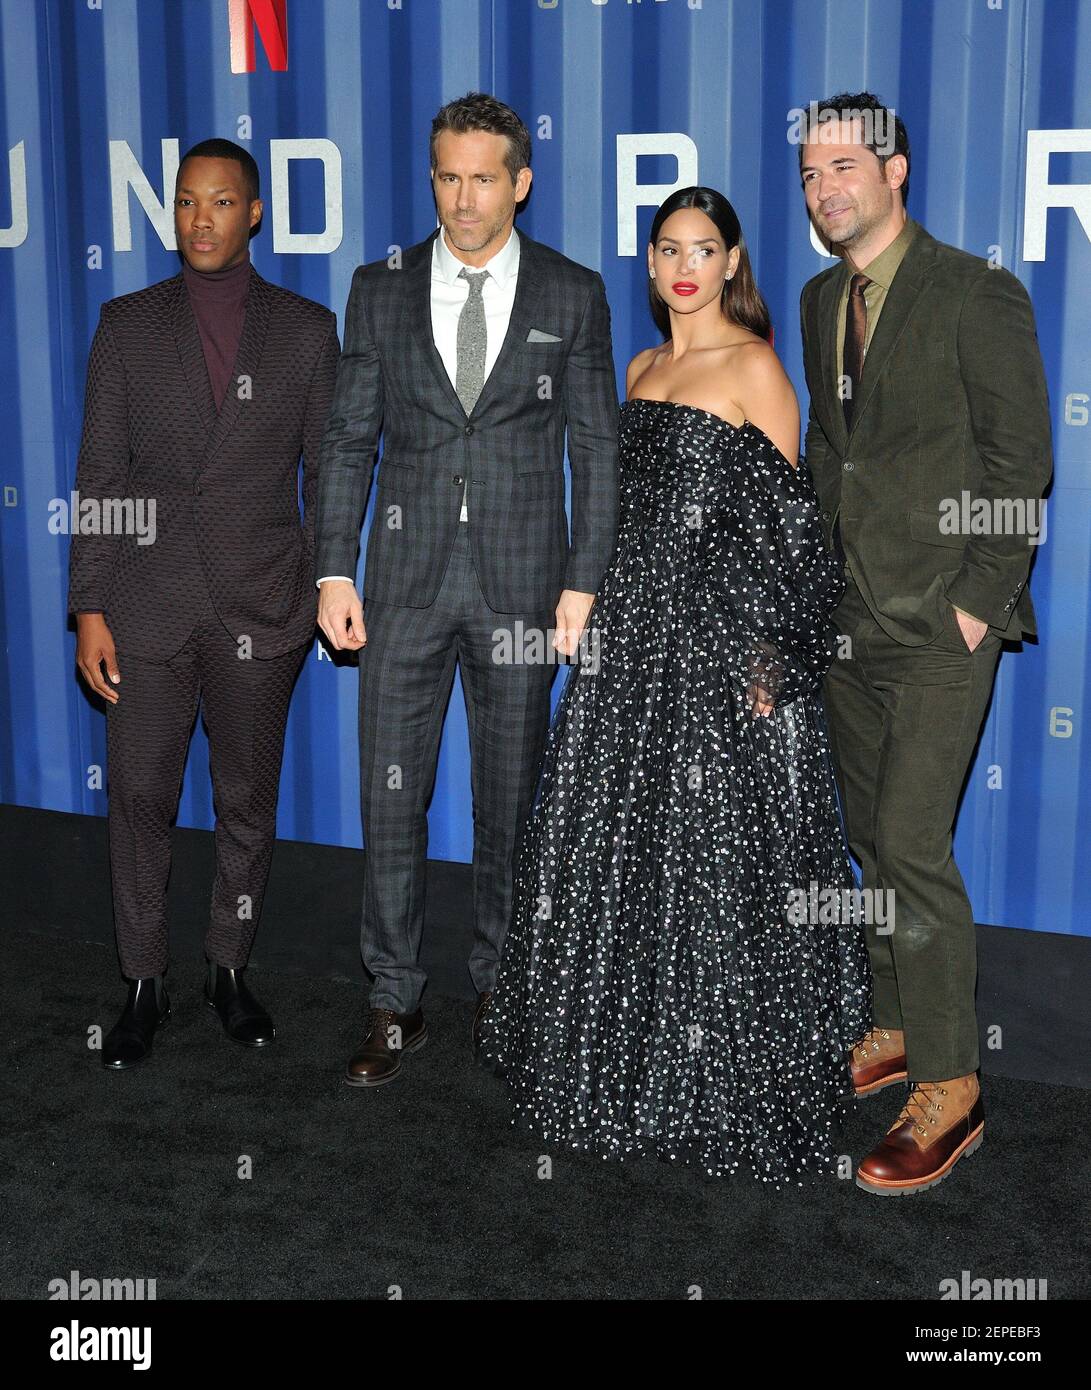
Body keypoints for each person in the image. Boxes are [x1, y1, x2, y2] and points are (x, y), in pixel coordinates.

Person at [476, 187, 871, 1186]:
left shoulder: (756, 370)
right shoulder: (642, 366)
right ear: (649, 264)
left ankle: (720, 1079)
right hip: (628, 634)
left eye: (704, 249)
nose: (685, 266)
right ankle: (617, 1061)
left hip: (719, 642)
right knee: (620, 846)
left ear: (731, 262)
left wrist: (767, 657)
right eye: (667, 249)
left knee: (716, 858)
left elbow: (792, 535)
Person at [314, 92, 619, 1087]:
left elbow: (597, 448)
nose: (462, 196)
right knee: (389, 800)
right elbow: (348, 438)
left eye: (483, 177)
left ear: (519, 183)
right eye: (447, 175)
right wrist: (332, 566)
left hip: (525, 588)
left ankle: (501, 985)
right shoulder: (380, 287)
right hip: (399, 588)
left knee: (509, 799)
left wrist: (582, 586)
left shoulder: (572, 294)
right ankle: (392, 997)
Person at [798, 93, 1052, 1194]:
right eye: (810, 173)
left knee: (907, 843)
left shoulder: (974, 292)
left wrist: (972, 601)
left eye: (844, 166)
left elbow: (1020, 463)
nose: (824, 189)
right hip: (847, 624)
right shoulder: (818, 298)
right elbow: (830, 458)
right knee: (867, 836)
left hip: (942, 624)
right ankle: (895, 1024)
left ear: (895, 171)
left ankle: (951, 1085)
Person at [69, 139, 340, 1068]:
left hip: (262, 610)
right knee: (139, 796)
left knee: (245, 804)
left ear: (253, 213)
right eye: (186, 202)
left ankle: (230, 968)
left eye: (221, 202)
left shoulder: (305, 331)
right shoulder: (127, 325)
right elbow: (101, 475)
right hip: (145, 609)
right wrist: (90, 606)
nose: (200, 219)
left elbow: (330, 472)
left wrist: (316, 580)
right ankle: (143, 980)